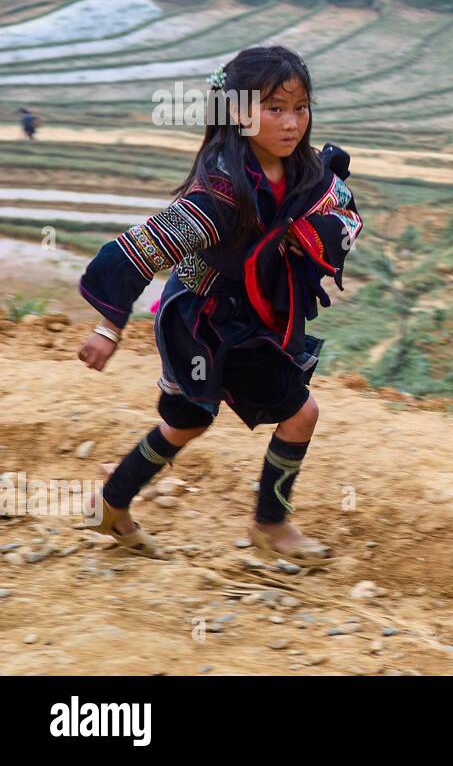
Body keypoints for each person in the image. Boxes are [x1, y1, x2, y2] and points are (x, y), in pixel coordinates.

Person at [76, 45, 363, 564]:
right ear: (237, 110)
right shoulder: (221, 193)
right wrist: (108, 328)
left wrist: (313, 235)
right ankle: (271, 526)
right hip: (208, 321)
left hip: (241, 315)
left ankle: (109, 504)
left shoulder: (301, 173)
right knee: (301, 413)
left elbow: (339, 208)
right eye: (274, 108)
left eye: (300, 108)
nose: (292, 122)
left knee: (188, 420)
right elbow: (146, 247)